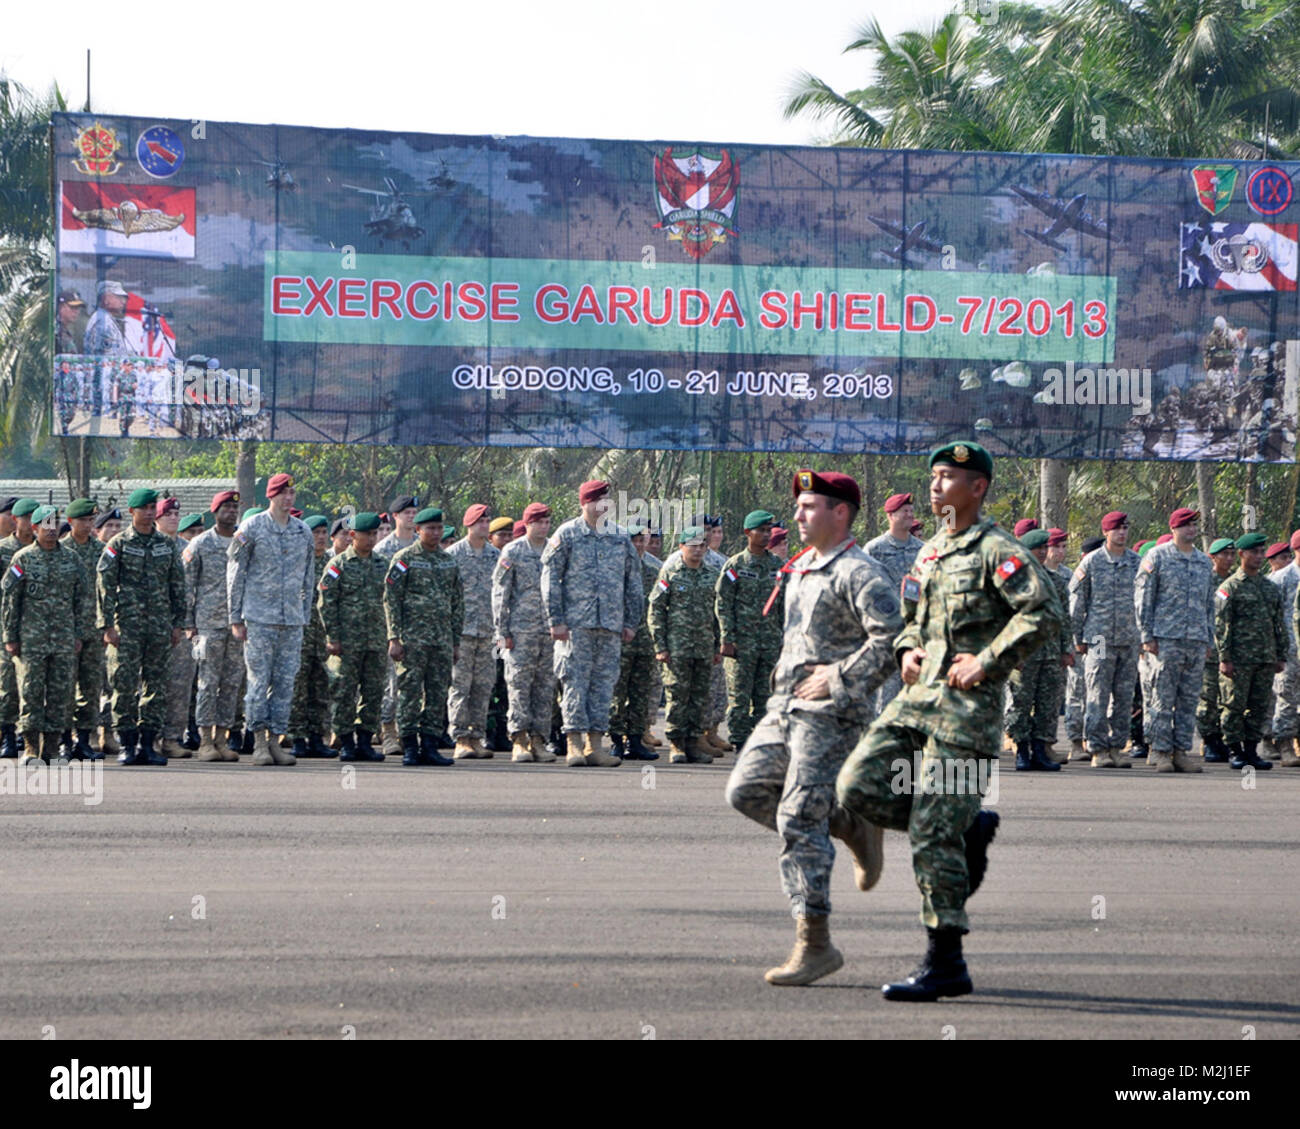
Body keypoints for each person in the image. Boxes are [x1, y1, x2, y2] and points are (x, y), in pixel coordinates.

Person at [837, 443, 1061, 1001]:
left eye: (948, 478)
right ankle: (967, 829)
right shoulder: (930, 551)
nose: (936, 488)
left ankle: (946, 963)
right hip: (916, 702)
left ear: (977, 488)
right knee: (856, 785)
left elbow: (1044, 611)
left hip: (967, 713)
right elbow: (911, 617)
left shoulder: (997, 550)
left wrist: (987, 661)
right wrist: (906, 651)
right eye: (934, 477)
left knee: (933, 829)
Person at [726, 469, 902, 987]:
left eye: (809, 507)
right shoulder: (802, 566)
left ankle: (815, 943)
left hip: (830, 717)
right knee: (746, 791)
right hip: (784, 708)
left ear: (840, 512)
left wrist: (840, 678)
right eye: (799, 507)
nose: (798, 516)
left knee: (800, 816)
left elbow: (893, 639)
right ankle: (850, 824)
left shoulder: (860, 572)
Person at [541, 481, 643, 767]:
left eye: (607, 499)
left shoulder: (620, 537)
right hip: (576, 625)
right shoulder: (567, 534)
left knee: (603, 685)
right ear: (584, 503)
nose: (604, 504)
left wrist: (631, 621)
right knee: (574, 681)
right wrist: (556, 619)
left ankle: (595, 746)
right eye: (598, 499)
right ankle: (573, 743)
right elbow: (550, 579)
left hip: (610, 625)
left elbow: (632, 582)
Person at [227, 472, 316, 767]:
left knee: (285, 682)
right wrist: (235, 617)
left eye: (291, 494)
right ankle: (259, 743)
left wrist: (304, 615)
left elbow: (308, 576)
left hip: (291, 619)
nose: (288, 499)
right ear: (271, 495)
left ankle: (277, 740)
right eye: (282, 494)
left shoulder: (302, 531)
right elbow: (236, 573)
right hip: (259, 618)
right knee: (258, 681)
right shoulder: (252, 527)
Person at [97, 488, 185, 765]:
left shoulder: (165, 544)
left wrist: (177, 624)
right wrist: (107, 625)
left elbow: (177, 584)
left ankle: (148, 744)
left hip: (159, 625)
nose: (149, 512)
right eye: (144, 508)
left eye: (152, 508)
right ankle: (127, 745)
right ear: (132, 512)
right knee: (123, 684)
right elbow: (106, 585)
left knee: (155, 685)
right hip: (127, 627)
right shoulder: (119, 544)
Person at [2, 506, 91, 765]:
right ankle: (31, 748)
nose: (51, 530)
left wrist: (79, 634)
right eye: (45, 525)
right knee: (30, 692)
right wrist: (10, 636)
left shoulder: (72, 559)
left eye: (55, 524)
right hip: (32, 639)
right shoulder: (23, 558)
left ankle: (51, 749)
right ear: (34, 528)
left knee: (60, 694)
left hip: (63, 639)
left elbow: (82, 599)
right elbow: (11, 600)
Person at [1134, 508, 1216, 772]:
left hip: (1195, 639)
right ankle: (1159, 750)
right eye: (1186, 525)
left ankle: (1181, 750)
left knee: (1189, 699)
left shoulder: (1204, 562)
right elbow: (1144, 599)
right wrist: (1146, 636)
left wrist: (1208, 639)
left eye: (1194, 525)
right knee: (1161, 696)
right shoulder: (1156, 556)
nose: (1191, 529)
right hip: (1165, 638)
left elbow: (1209, 604)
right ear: (1174, 528)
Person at [385, 507, 460, 767]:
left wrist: (455, 641)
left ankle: (430, 745)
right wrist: (394, 637)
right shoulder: (404, 558)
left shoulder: (448, 560)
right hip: (411, 640)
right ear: (418, 530)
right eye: (430, 528)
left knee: (438, 692)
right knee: (409, 692)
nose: (436, 533)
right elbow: (391, 599)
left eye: (439, 528)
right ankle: (409, 746)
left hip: (440, 640)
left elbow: (457, 602)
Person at [1070, 512, 1140, 769]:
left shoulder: (1136, 562)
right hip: (1098, 637)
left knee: (1124, 696)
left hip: (1129, 638)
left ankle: (1117, 746)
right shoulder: (1091, 562)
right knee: (1098, 693)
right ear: (1106, 532)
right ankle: (1098, 748)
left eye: (1125, 528)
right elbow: (1077, 603)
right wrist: (1077, 638)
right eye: (1117, 529)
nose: (1122, 533)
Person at [649, 526, 721, 763]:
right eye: (693, 546)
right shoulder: (670, 574)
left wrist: (718, 645)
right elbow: (656, 609)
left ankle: (694, 742)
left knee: (699, 697)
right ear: (681, 547)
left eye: (702, 546)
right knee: (678, 695)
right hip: (677, 648)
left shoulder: (711, 575)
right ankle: (677, 743)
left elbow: (718, 613)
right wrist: (660, 646)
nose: (698, 550)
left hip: (703, 646)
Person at [319, 512, 388, 762]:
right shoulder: (339, 565)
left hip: (376, 640)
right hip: (347, 642)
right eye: (366, 534)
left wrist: (392, 637)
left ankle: (365, 742)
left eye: (374, 534)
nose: (371, 539)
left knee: (373, 692)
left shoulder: (382, 564)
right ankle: (346, 742)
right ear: (352, 536)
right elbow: (326, 602)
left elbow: (390, 601)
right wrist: (333, 637)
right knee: (344, 692)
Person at [491, 503, 557, 763]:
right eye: (539, 522)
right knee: (519, 685)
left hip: (549, 631)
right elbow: (500, 592)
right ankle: (519, 739)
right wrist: (501, 630)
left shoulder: (554, 549)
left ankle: (539, 739)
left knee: (545, 687)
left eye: (547, 522)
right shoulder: (513, 550)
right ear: (527, 524)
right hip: (520, 630)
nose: (544, 526)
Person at [183, 490, 245, 762]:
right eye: (226, 508)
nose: (231, 512)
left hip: (237, 625)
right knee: (206, 682)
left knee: (231, 683)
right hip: (205, 626)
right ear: (214, 512)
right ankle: (205, 739)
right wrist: (188, 624)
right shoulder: (200, 543)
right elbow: (187, 586)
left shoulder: (243, 541)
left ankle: (223, 737)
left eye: (234, 508)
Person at [716, 510, 783, 751]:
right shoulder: (735, 565)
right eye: (761, 531)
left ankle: (762, 738)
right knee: (740, 695)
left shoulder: (778, 566)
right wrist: (727, 638)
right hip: (741, 644)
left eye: (769, 531)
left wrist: (785, 638)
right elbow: (723, 603)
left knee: (766, 694)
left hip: (770, 642)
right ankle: (739, 739)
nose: (766, 535)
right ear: (748, 533)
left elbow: (785, 603)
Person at [1215, 532, 1283, 771]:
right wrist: (1225, 658)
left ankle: (1252, 751)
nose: (1259, 556)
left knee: (1259, 705)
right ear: (1242, 555)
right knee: (1233, 705)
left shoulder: (1269, 587)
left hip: (1265, 657)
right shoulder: (1229, 587)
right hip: (1239, 659)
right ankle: (1235, 750)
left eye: (1261, 552)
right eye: (1254, 552)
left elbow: (1278, 623)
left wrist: (1280, 655)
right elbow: (1222, 626)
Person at [1005, 529, 1070, 771]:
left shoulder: (1056, 581)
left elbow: (1064, 619)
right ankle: (1022, 751)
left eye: (1045, 548)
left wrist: (1066, 649)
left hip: (1050, 653)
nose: (1042, 552)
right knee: (1020, 704)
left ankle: (1041, 752)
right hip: (1024, 654)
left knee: (1048, 705)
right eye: (1037, 548)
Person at [864, 493, 926, 718]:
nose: (910, 515)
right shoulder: (874, 549)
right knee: (887, 697)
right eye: (904, 511)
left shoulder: (923, 550)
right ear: (890, 515)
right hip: (887, 633)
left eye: (911, 511)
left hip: (916, 631)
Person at [447, 504, 499, 758]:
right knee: (460, 685)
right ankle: (460, 737)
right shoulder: (454, 555)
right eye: (479, 521)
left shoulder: (495, 555)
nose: (484, 525)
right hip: (462, 632)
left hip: (488, 631)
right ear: (469, 524)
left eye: (487, 520)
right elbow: (446, 596)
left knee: (483, 686)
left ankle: (477, 735)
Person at [58, 498, 105, 760]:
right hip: (65, 631)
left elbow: (108, 590)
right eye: (83, 520)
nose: (88, 525)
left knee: (90, 687)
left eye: (91, 520)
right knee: (65, 687)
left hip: (94, 629)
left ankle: (84, 741)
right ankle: (65, 741)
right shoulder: (60, 550)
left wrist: (108, 624)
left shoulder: (102, 550)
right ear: (71, 521)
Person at [608, 525, 660, 762]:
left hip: (646, 642)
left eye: (642, 541)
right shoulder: (616, 572)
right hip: (622, 640)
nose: (638, 545)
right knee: (618, 693)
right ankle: (617, 740)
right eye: (634, 541)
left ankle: (636, 739)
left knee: (641, 693)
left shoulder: (652, 571)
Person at [287, 515, 337, 759]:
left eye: (323, 532)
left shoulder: (332, 563)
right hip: (301, 633)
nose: (320, 537)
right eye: (315, 532)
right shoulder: (298, 562)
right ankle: (297, 737)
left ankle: (317, 737)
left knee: (321, 688)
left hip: (325, 636)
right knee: (299, 688)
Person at [375, 494, 419, 757]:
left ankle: (408, 731)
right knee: (391, 681)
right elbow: (381, 593)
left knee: (413, 684)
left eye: (414, 513)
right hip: (392, 627)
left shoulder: (421, 545)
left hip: (418, 627)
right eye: (407, 513)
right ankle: (388, 730)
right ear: (395, 516)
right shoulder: (383, 550)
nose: (411, 517)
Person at [0, 498, 37, 758]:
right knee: (7, 685)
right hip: (7, 628)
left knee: (34, 687)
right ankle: (8, 737)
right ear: (17, 520)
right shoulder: (4, 549)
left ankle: (30, 738)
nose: (35, 524)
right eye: (30, 518)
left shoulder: (46, 550)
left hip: (40, 629)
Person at [1198, 538, 1238, 762]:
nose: (1229, 559)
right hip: (1210, 648)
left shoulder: (1234, 581)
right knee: (1208, 698)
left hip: (1231, 650)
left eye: (1232, 554)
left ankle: (1224, 740)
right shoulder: (1205, 581)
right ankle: (1209, 740)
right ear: (1213, 557)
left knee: (1228, 699)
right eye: (1225, 555)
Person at [1264, 531, 1300, 761]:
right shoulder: (1281, 579)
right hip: (1290, 649)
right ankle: (1284, 744)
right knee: (1286, 696)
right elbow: (1268, 618)